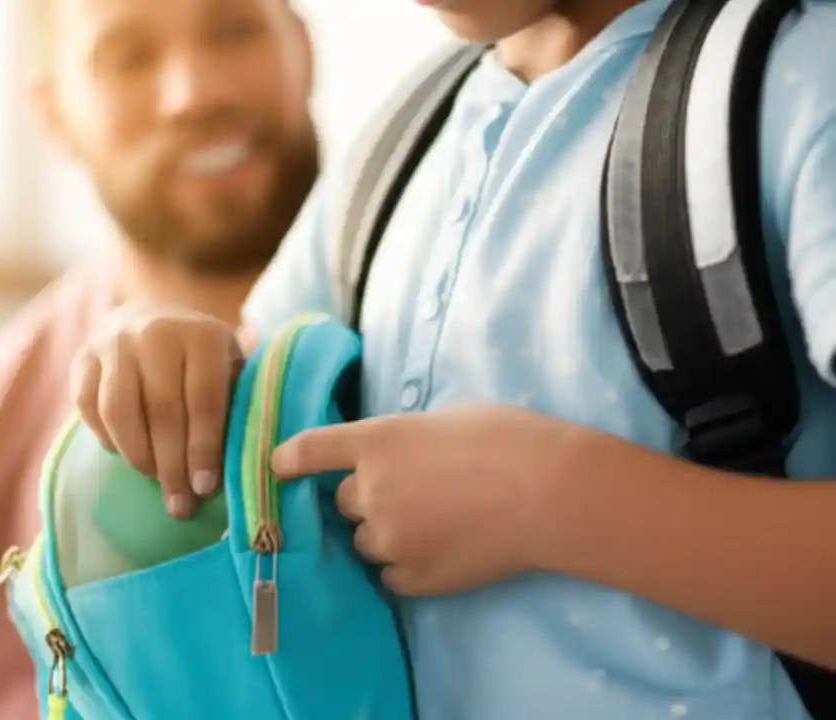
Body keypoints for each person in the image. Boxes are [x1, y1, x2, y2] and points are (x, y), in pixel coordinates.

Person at [72, 0, 836, 718]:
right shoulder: (409, 133)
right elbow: (255, 366)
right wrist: (164, 341)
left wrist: (554, 501)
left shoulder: (807, 81)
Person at [0, 0, 319, 717]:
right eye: (127, 57)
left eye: (234, 28)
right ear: (54, 112)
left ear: (301, 48)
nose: (195, 93)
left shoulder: (457, 338)